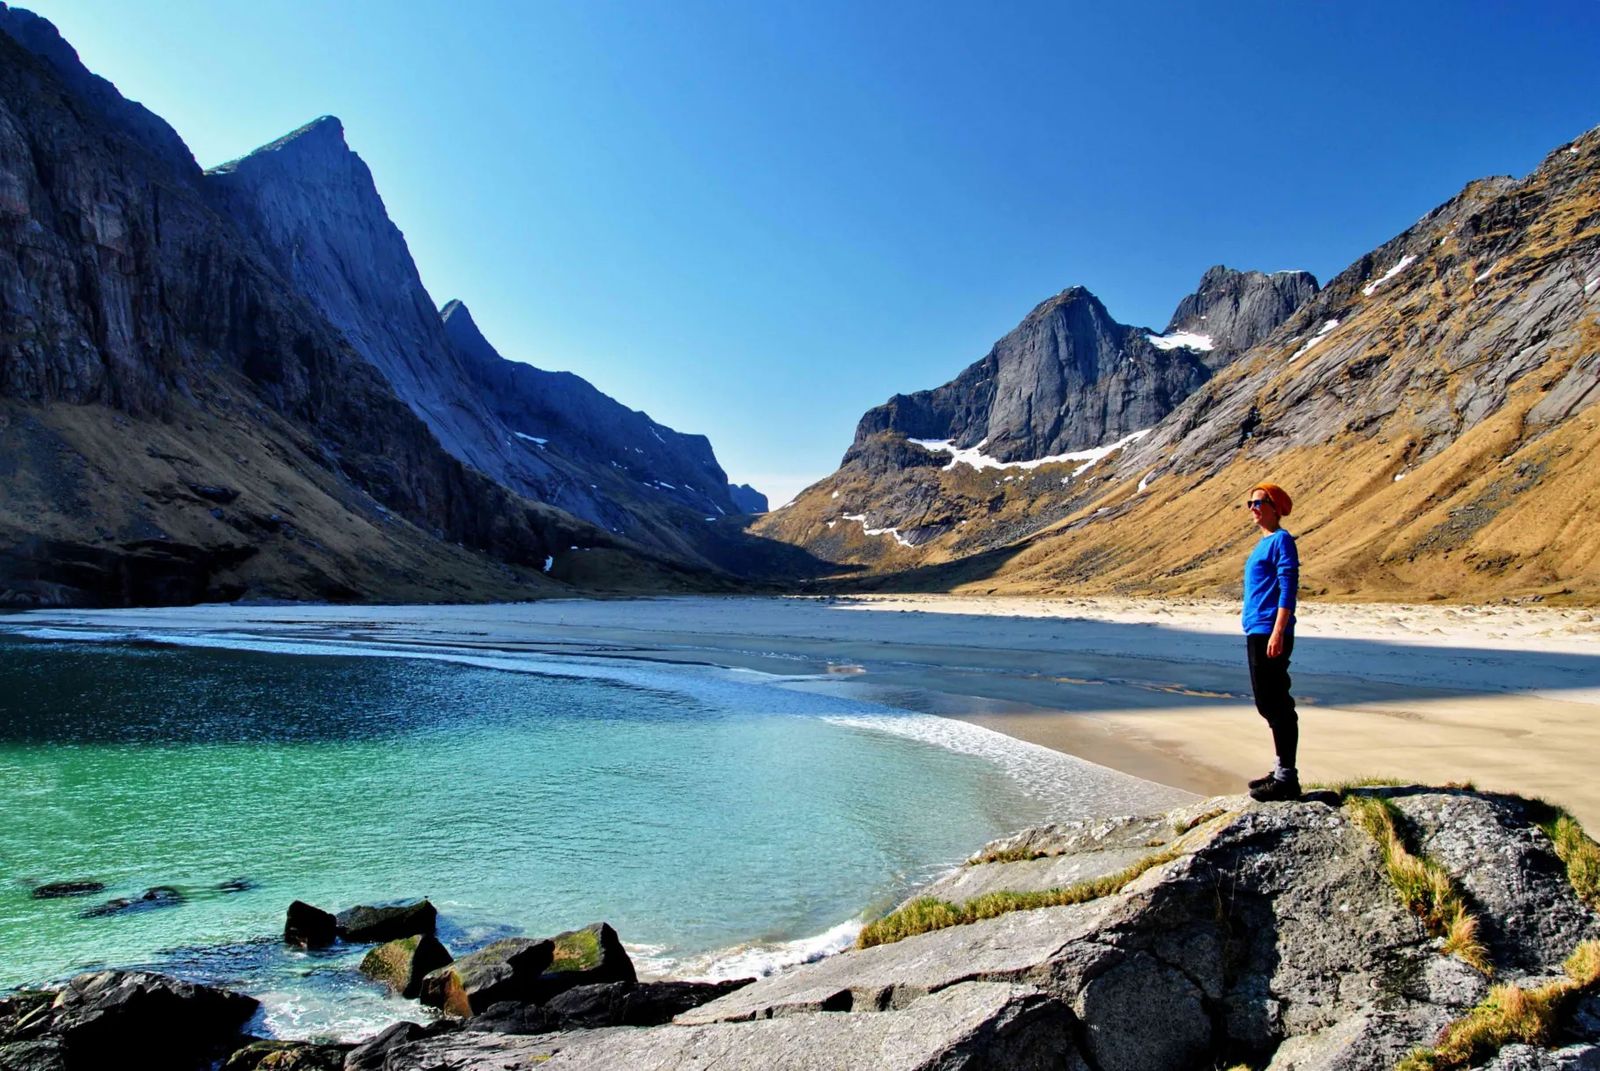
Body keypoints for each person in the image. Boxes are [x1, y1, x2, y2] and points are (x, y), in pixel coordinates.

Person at [1242, 483, 1300, 802]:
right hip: (1257, 630)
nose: (1252, 508)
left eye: (1259, 503)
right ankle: (1280, 769)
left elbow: (1288, 587)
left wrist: (1278, 630)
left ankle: (1286, 778)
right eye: (1250, 503)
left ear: (1275, 507)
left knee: (1276, 702)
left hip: (1269, 631)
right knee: (1267, 702)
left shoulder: (1282, 541)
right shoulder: (1263, 543)